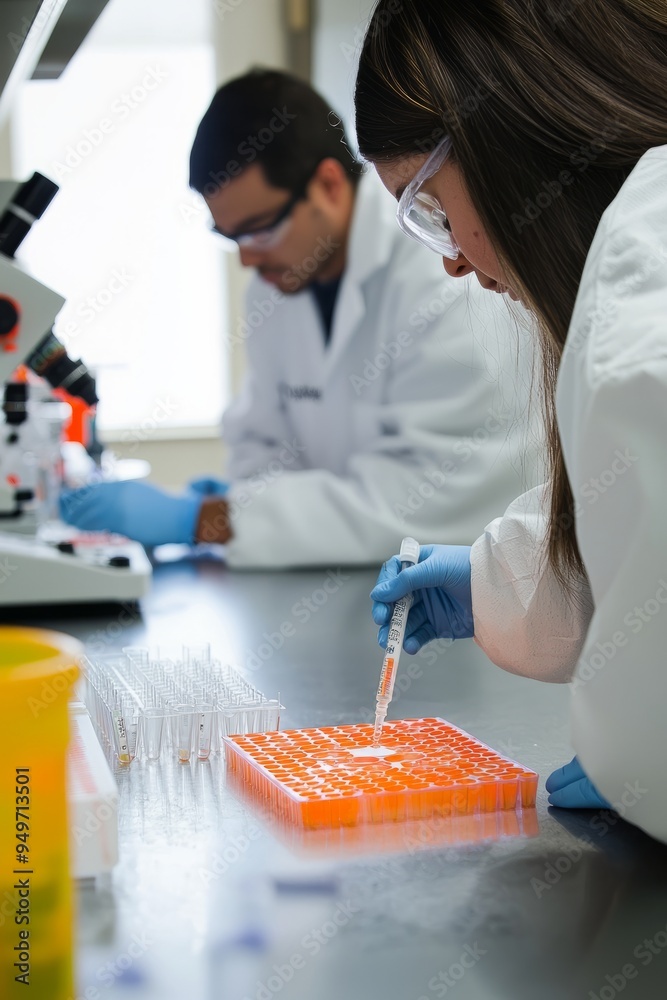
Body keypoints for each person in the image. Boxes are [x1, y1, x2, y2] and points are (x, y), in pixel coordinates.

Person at [356, 0, 667, 840]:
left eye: (428, 203)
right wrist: (498, 579)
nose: (451, 257)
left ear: (507, 137)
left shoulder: (643, 293)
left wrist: (632, 763)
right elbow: (636, 527)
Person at [60, 69, 541, 568]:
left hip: (467, 603)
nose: (247, 260)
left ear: (328, 185)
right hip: (340, 589)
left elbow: (432, 497)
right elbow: (263, 442)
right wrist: (236, 498)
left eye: (259, 230)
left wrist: (210, 518)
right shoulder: (277, 287)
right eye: (233, 239)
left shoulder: (441, 274)